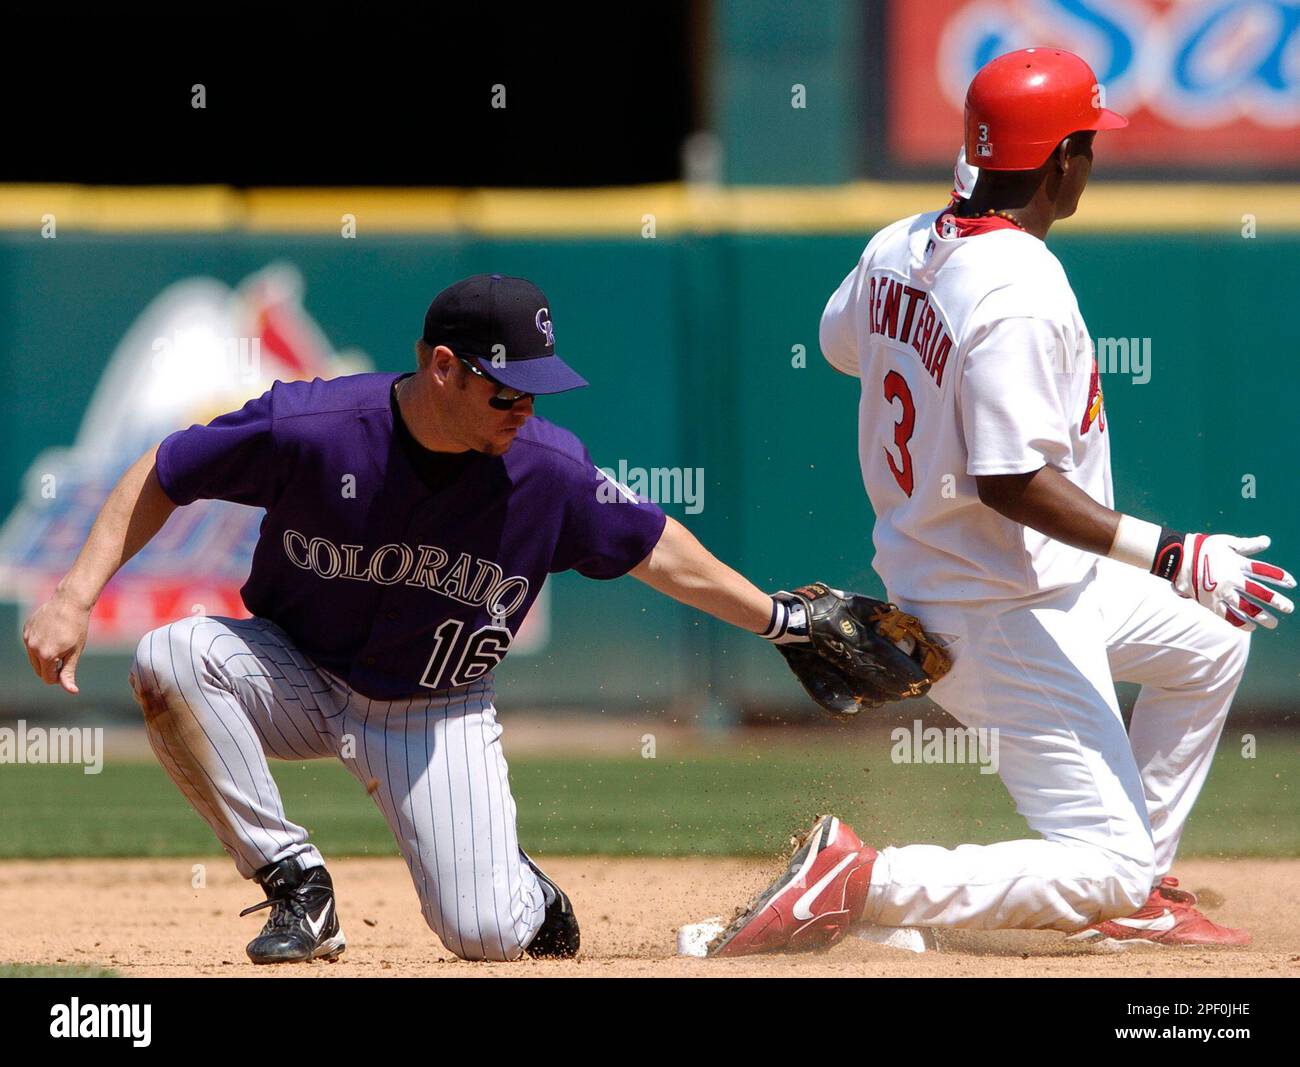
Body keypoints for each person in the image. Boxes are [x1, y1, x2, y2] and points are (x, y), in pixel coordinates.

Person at [22, 272, 821, 964]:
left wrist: (782, 620)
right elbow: (166, 469)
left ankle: (526, 893)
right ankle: (296, 883)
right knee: (169, 656)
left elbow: (661, 550)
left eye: (536, 388)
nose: (524, 406)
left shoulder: (547, 471)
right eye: (506, 389)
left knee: (487, 933)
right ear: (443, 367)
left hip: (436, 714)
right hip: (294, 670)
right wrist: (76, 595)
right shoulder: (315, 428)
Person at [709, 49, 1294, 957]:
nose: (1092, 160)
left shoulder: (900, 243)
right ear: (1063, 162)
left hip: (1011, 574)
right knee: (1106, 859)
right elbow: (1011, 482)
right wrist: (1175, 551)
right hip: (1000, 604)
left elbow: (838, 345)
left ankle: (1134, 895)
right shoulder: (1019, 286)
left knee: (1208, 642)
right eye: (1088, 144)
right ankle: (868, 881)